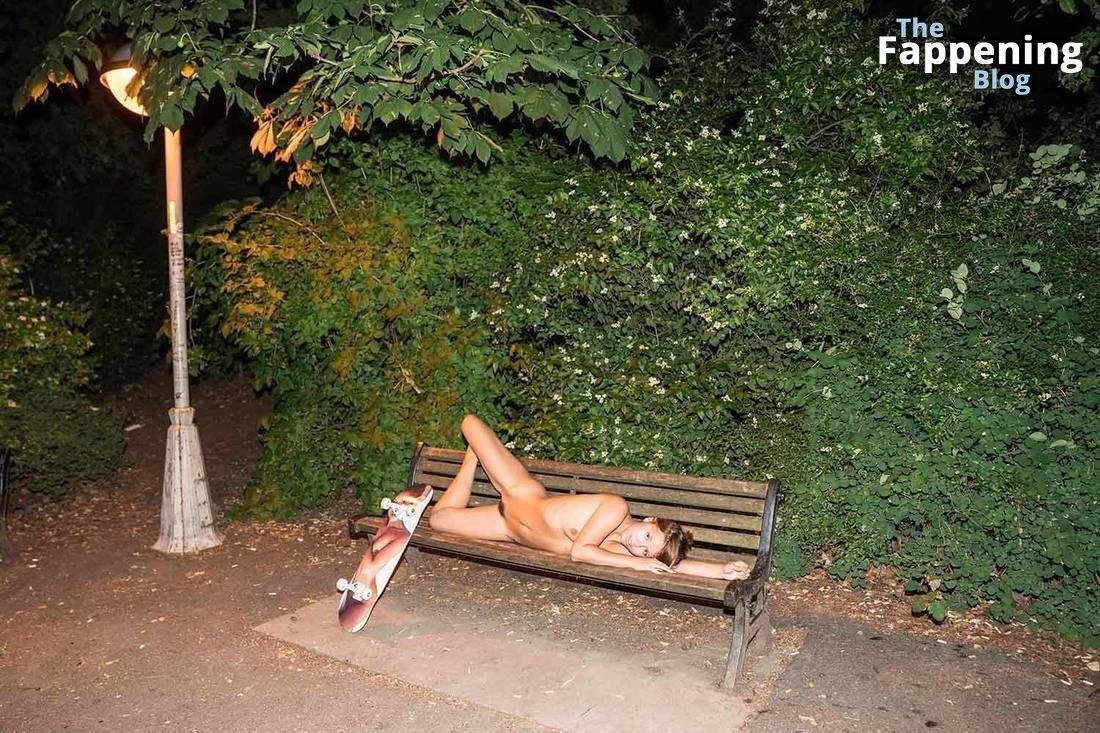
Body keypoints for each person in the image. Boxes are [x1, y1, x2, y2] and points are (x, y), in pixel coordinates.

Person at [428, 415, 751, 581]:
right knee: (470, 424)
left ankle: (472, 459)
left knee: (438, 520)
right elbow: (580, 552)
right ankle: (474, 456)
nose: (637, 545)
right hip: (519, 492)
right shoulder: (615, 508)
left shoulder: (616, 551)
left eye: (644, 550)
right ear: (650, 519)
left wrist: (721, 570)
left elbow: (665, 567)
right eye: (646, 536)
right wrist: (639, 563)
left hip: (507, 528)